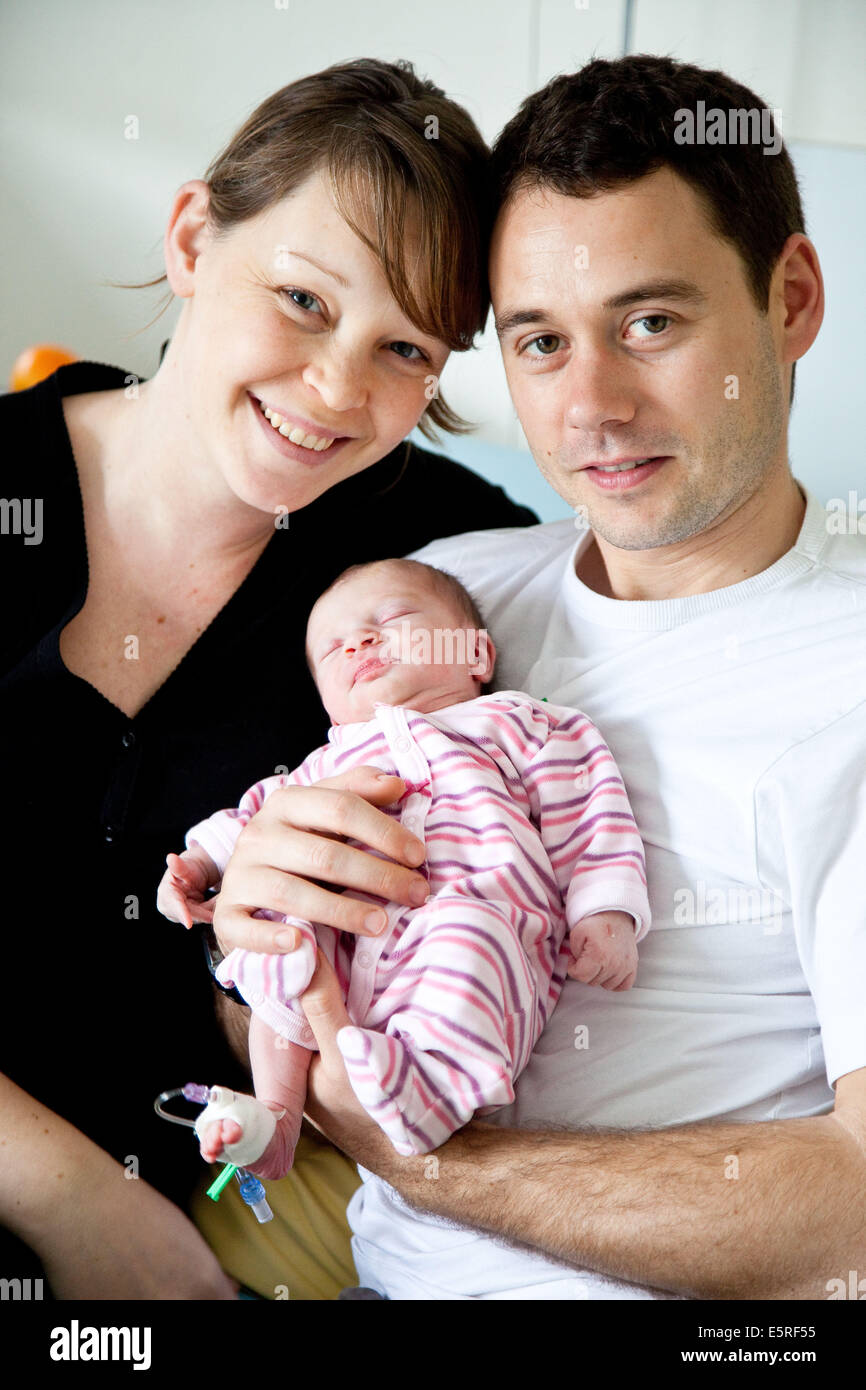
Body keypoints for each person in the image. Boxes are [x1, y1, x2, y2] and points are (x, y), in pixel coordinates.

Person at [210, 54, 866, 1300]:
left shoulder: (845, 672)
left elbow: (857, 1208)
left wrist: (430, 1159)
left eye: (650, 323)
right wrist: (264, 923)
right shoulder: (444, 596)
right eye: (538, 342)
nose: (591, 409)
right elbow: (289, 1005)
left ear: (787, 301)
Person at [0, 58, 541, 1299]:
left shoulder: (428, 558)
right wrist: (76, 1201)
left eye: (404, 347)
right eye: (301, 298)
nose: (340, 391)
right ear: (193, 237)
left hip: (200, 1222)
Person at [157, 557, 649, 1183]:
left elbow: (587, 808)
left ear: (476, 654)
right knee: (278, 948)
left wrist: (604, 909)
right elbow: (253, 818)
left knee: (473, 939)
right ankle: (279, 1120)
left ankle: (429, 1090)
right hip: (347, 942)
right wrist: (199, 864)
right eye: (334, 649)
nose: (358, 641)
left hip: (472, 922)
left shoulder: (520, 725)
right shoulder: (324, 762)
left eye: (390, 621)